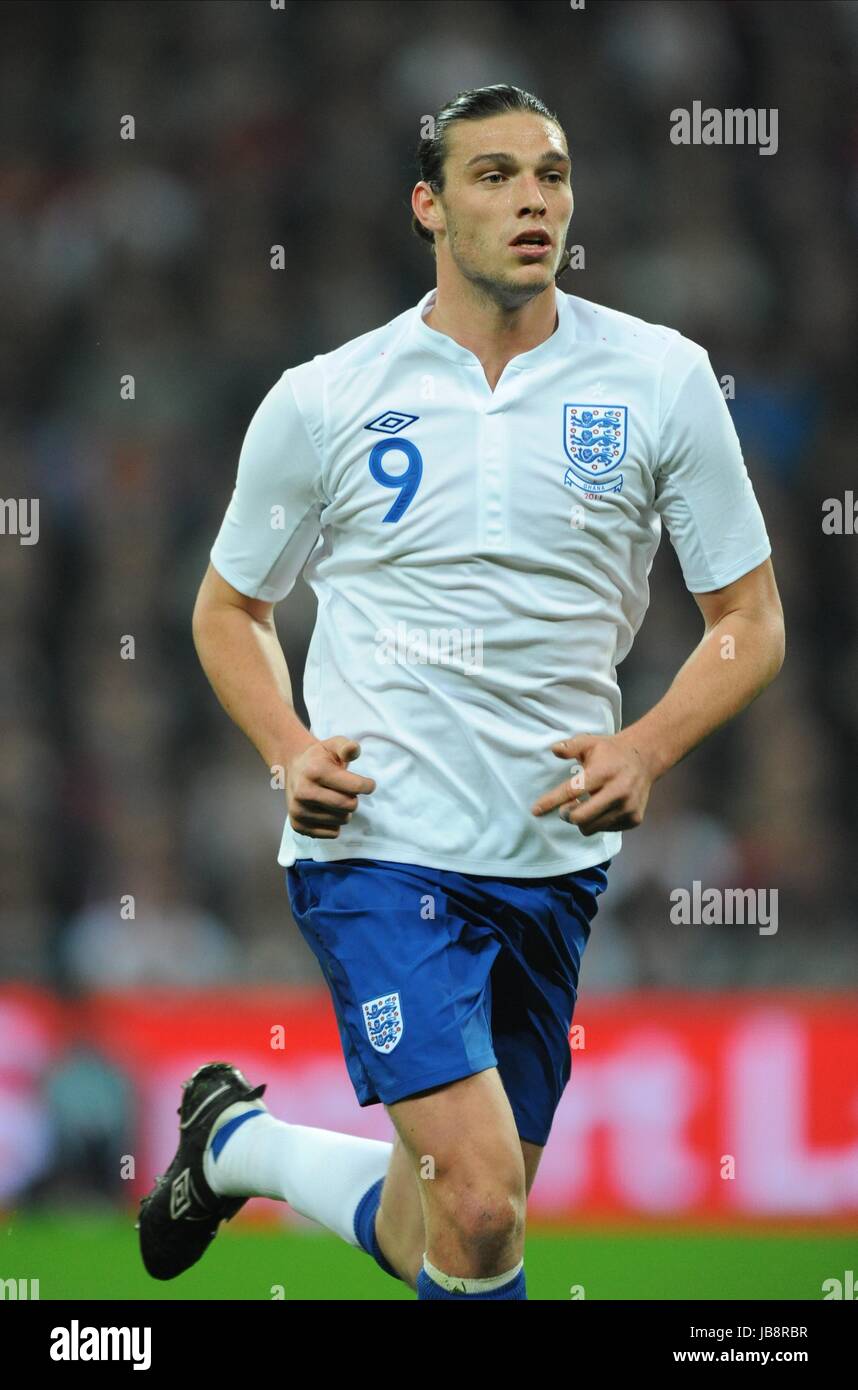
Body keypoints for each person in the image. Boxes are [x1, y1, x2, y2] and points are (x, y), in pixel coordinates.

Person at [138, 84, 784, 1301]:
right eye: (493, 175)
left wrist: (645, 748)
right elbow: (228, 609)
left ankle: (241, 1144)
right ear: (428, 205)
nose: (532, 198)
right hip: (378, 848)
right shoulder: (326, 397)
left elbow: (750, 622)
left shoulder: (660, 379)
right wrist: (286, 746)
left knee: (442, 1220)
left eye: (551, 172)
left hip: (551, 863)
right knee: (482, 1205)